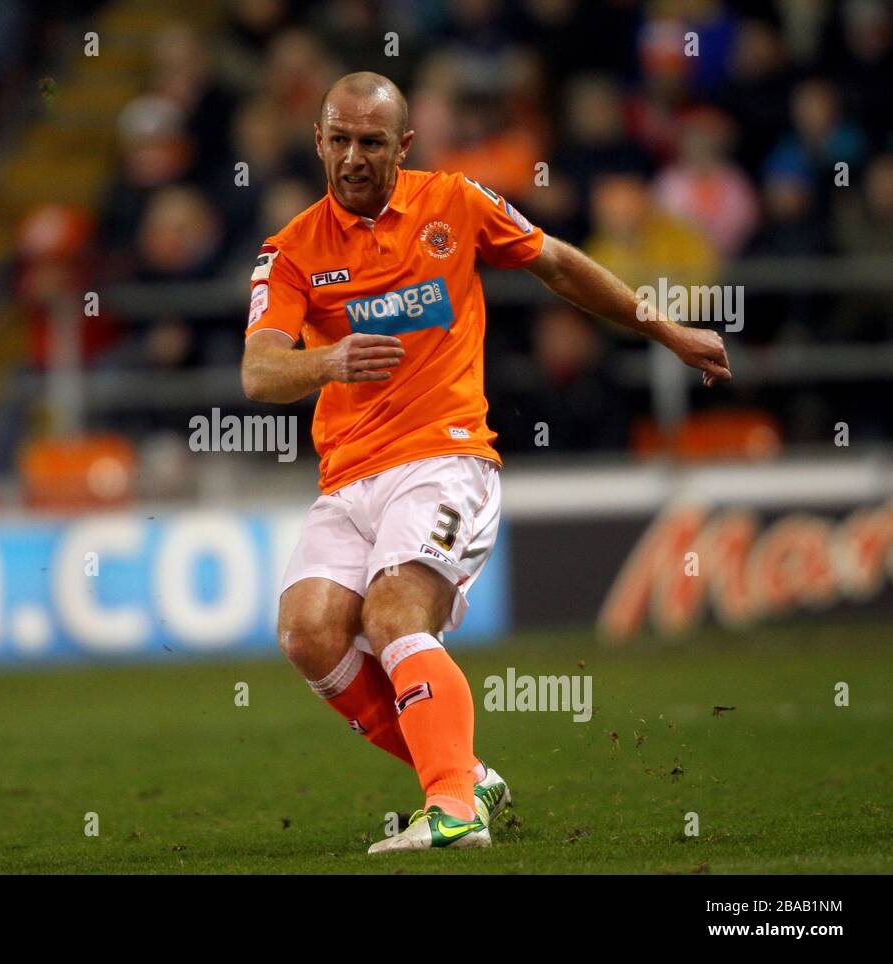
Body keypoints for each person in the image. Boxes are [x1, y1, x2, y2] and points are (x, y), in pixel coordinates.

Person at [240, 72, 730, 854]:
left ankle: (452, 809)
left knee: (396, 612)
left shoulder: (456, 203)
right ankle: (467, 773)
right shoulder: (291, 250)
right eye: (340, 140)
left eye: (372, 142)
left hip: (445, 458)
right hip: (348, 476)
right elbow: (259, 373)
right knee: (306, 633)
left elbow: (559, 263)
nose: (355, 157)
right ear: (319, 142)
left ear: (403, 145)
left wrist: (663, 327)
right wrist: (329, 361)